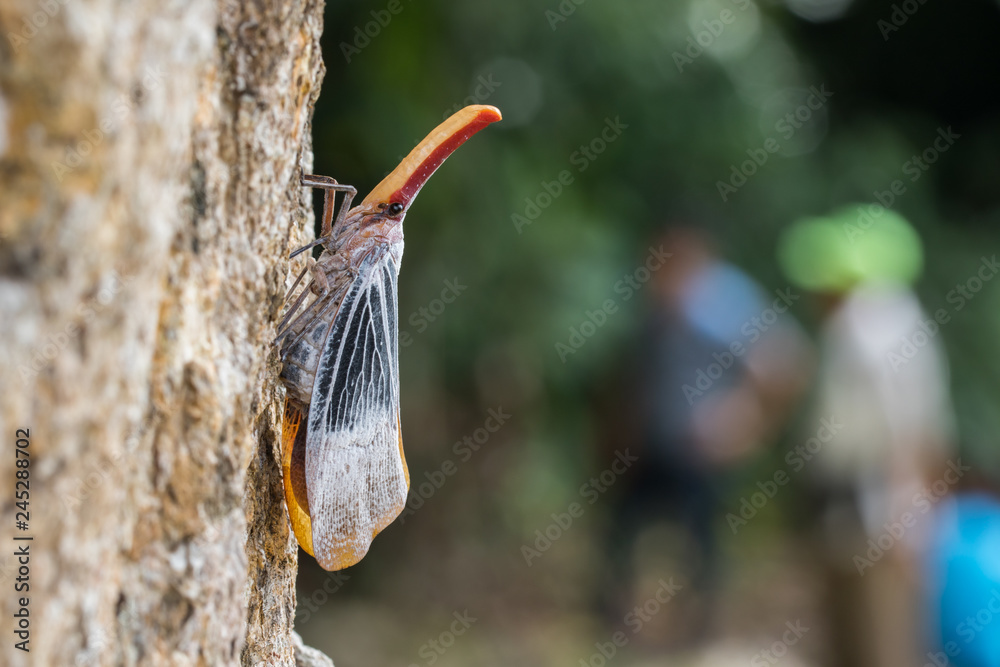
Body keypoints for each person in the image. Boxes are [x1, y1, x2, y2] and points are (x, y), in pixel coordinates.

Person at [599, 226, 812, 642]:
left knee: (700, 542)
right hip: (651, 448)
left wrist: (747, 425)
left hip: (699, 453)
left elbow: (786, 365)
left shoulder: (722, 302)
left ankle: (698, 630)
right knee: (624, 531)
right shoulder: (657, 304)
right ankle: (619, 622)